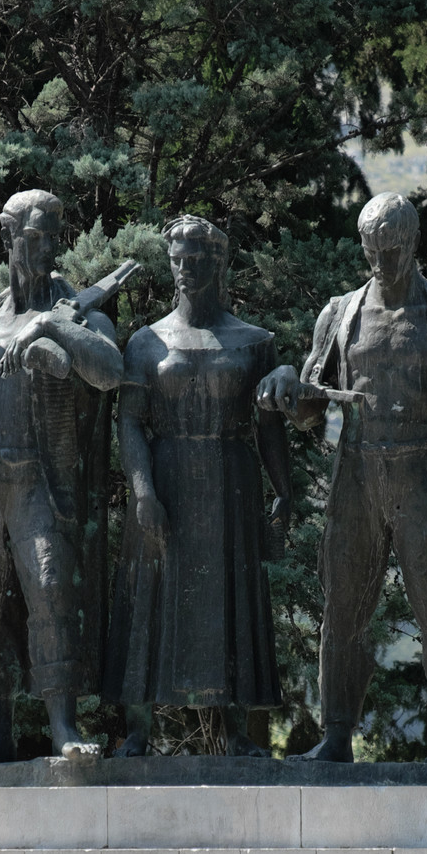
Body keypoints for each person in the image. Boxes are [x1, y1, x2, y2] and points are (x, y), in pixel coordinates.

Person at [257, 193, 427, 763]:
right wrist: (290, 392)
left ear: (412, 243)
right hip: (359, 474)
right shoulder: (341, 312)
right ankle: (336, 736)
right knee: (342, 609)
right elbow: (314, 407)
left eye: (390, 250)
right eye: (371, 250)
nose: (381, 262)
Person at [105, 216, 291, 756]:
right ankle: (137, 728)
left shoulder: (255, 343)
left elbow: (269, 427)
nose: (186, 269)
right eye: (178, 259)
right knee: (149, 598)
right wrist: (142, 491)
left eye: (197, 259)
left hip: (231, 481)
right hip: (165, 478)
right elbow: (129, 421)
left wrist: (283, 489)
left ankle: (233, 731)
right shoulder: (145, 343)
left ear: (219, 263)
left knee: (227, 597)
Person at [0, 189, 125, 762]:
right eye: (35, 236)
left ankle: (62, 726)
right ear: (8, 239)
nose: (48, 248)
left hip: (37, 477)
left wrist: (50, 327)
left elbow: (110, 370)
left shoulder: (76, 310)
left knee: (50, 591)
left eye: (54, 236)